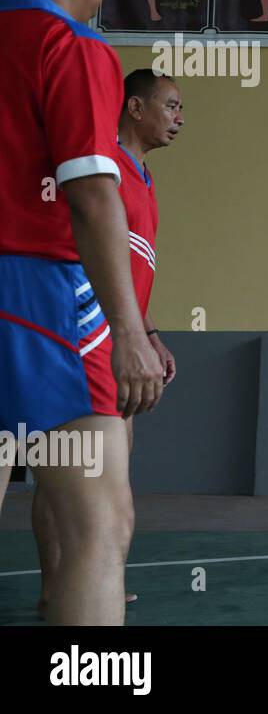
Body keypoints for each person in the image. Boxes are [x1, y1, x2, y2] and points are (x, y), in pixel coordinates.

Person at [0, 0, 165, 625]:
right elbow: (94, 197)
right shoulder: (72, 46)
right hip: (41, 301)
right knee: (97, 526)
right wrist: (130, 332)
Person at [31, 67, 184, 617]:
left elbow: (128, 271)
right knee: (69, 472)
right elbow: (86, 253)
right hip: (82, 337)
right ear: (135, 108)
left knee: (107, 472)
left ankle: (87, 579)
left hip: (121, 341)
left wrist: (148, 333)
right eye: (170, 106)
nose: (179, 118)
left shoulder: (143, 176)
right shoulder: (104, 167)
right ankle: (59, 587)